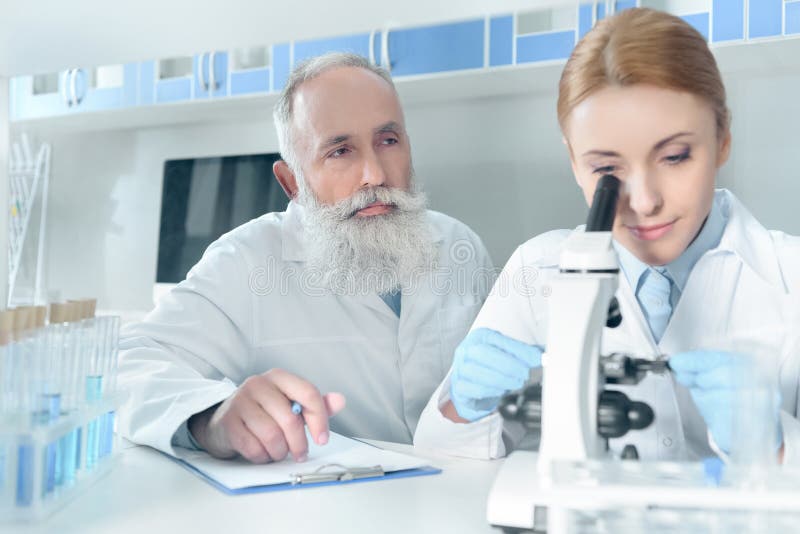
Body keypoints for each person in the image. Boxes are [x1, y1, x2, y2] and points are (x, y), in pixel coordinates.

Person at [415, 8, 800, 464]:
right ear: (574, 161)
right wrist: (464, 405)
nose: (644, 201)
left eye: (675, 156)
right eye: (607, 169)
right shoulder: (538, 271)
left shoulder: (788, 276)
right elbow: (443, 467)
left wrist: (776, 445)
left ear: (722, 139)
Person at [118, 52, 493, 464]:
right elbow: (129, 364)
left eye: (388, 141)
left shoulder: (460, 246)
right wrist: (211, 418)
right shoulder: (246, 261)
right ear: (292, 182)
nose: (375, 174)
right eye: (340, 151)